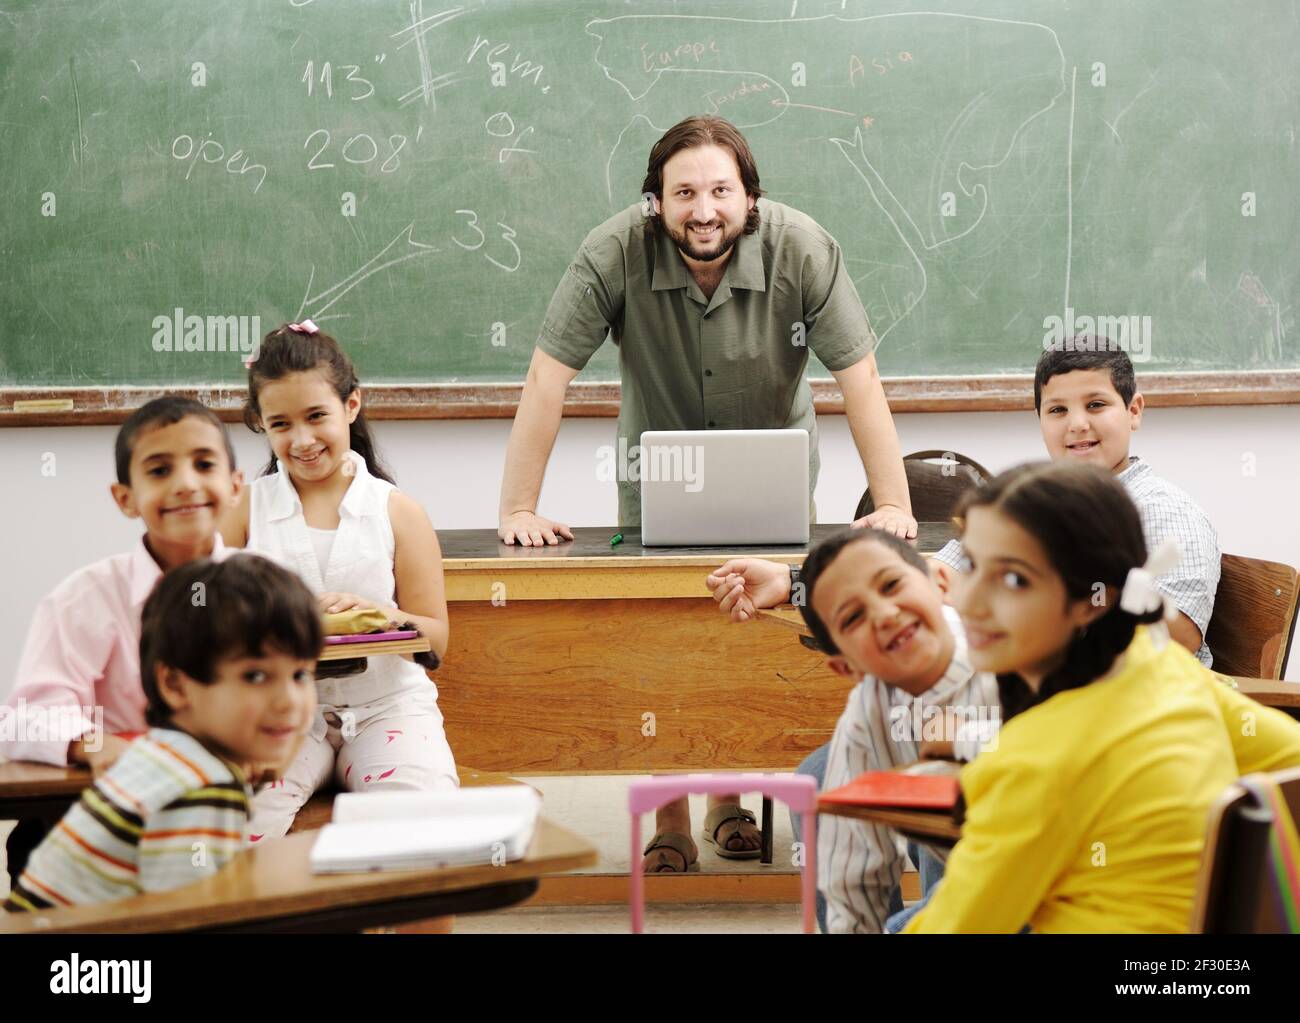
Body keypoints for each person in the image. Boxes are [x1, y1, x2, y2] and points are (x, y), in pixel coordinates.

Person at [223, 321, 457, 841]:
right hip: (278, 711)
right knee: (228, 821)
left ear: (351, 406)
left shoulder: (397, 511)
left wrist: (379, 617)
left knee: (421, 827)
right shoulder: (244, 509)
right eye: (281, 424)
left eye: (316, 417)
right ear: (261, 424)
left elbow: (436, 637)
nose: (302, 440)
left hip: (385, 708)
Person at [6, 554, 320, 911]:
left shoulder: (165, 752)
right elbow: (184, 918)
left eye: (300, 675)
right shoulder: (202, 786)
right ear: (174, 684)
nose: (289, 702)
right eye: (255, 676)